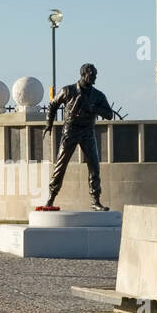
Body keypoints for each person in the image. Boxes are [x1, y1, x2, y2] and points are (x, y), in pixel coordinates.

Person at [42, 63, 113, 211]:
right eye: (92, 74)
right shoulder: (68, 90)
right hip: (70, 131)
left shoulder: (98, 95)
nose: (95, 77)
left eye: (95, 74)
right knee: (60, 166)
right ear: (84, 75)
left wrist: (95, 108)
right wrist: (49, 122)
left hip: (87, 131)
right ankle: (50, 198)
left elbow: (109, 114)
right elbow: (52, 104)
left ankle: (96, 200)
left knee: (94, 166)